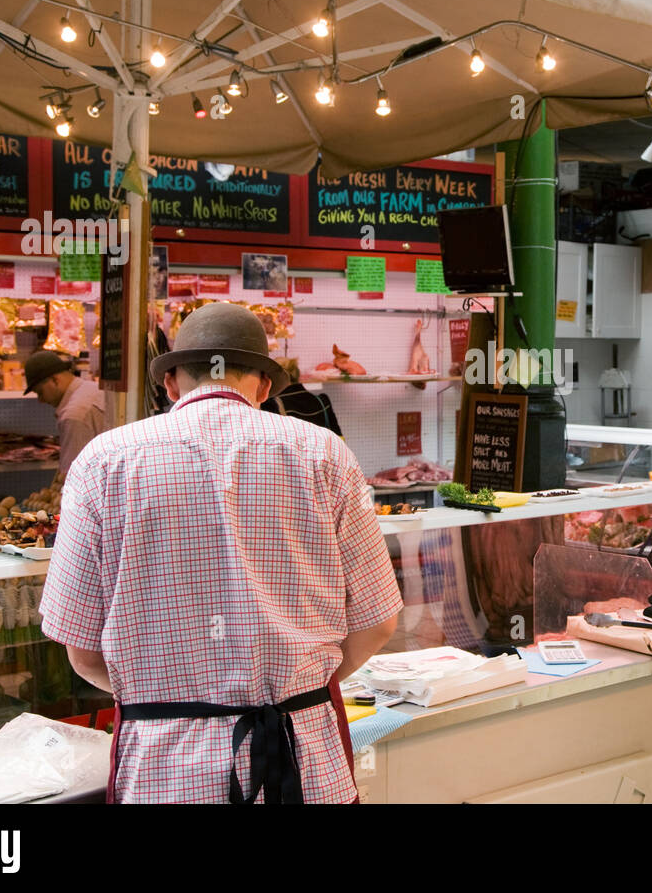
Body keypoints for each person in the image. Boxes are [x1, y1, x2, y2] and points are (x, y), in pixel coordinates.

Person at [38, 302, 401, 803]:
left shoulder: (102, 461)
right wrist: (298, 690)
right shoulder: (326, 453)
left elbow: (80, 651)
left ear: (170, 385)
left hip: (162, 772)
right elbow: (379, 624)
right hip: (305, 759)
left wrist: (162, 695)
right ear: (266, 385)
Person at [22, 350, 107, 478]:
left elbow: (74, 477)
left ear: (55, 380)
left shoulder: (74, 415)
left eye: (40, 392)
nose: (40, 400)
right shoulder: (93, 388)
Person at [269, 358, 344, 436]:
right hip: (323, 447)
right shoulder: (322, 401)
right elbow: (339, 438)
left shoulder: (273, 404)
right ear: (297, 375)